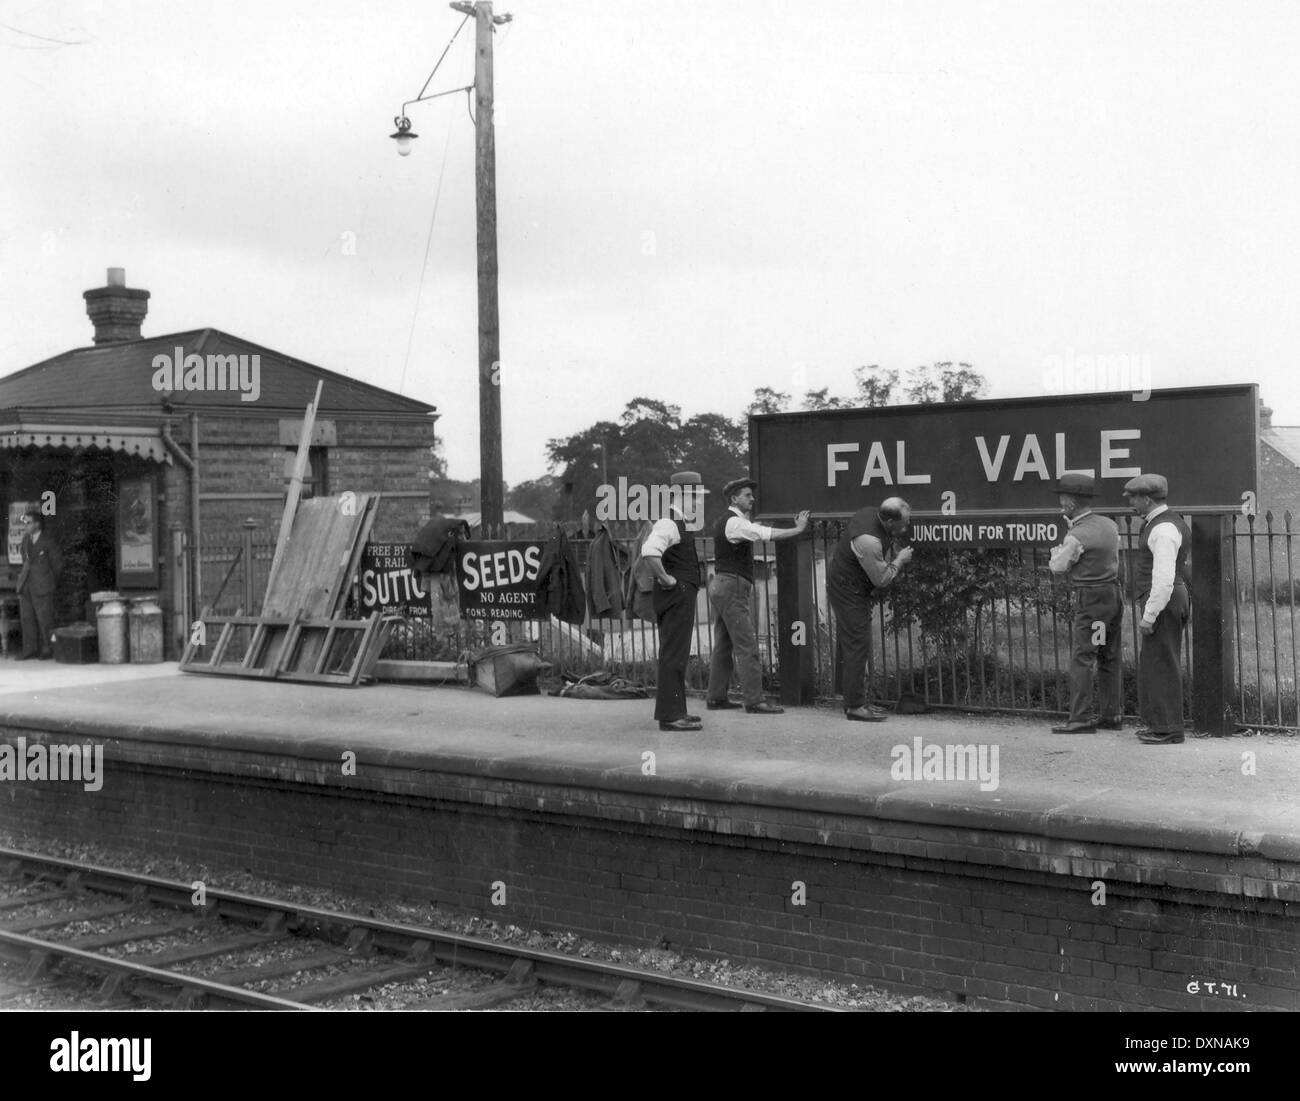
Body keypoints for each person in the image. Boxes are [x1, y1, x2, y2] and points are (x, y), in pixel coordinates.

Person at [706, 478, 810, 715]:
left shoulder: (728, 521)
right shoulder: (734, 522)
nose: (752, 499)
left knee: (723, 644)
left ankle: (716, 697)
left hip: (721, 584)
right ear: (734, 498)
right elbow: (764, 533)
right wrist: (798, 529)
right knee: (747, 645)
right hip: (732, 587)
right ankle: (754, 701)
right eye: (747, 496)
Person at [1047, 473, 1123, 733]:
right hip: (1112, 596)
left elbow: (1058, 567)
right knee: (1107, 654)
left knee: (1083, 656)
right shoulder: (1109, 525)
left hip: (1091, 599)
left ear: (1071, 502)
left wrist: (1056, 552)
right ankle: (1111, 714)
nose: (1060, 501)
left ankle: (1079, 717)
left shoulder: (1077, 536)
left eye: (1063, 497)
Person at [826, 497, 913, 721]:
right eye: (903, 523)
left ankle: (850, 698)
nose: (906, 527)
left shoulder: (869, 512)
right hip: (849, 591)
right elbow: (881, 579)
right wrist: (900, 560)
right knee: (857, 645)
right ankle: (855, 706)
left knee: (851, 643)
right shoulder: (869, 541)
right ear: (890, 521)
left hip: (845, 584)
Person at [1122, 473, 1190, 745]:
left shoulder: (1162, 529)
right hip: (1170, 597)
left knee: (1162, 663)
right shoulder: (1167, 522)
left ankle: (1169, 728)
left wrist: (1149, 616)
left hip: (1164, 599)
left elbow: (1162, 579)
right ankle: (1160, 725)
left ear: (1148, 499)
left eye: (1134, 498)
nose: (1131, 504)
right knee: (1157, 661)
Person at [641, 472, 708, 731]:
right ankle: (670, 716)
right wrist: (668, 579)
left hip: (681, 596)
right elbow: (649, 552)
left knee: (678, 654)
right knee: (672, 655)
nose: (697, 502)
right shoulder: (668, 523)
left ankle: (678, 710)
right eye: (694, 496)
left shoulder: (681, 523)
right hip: (676, 596)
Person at [16, 513, 61, 661]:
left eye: (28, 523)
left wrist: (49, 581)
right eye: (25, 523)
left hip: (43, 585)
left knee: (45, 619)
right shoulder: (25, 540)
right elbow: (24, 560)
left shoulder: (47, 541)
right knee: (27, 618)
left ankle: (47, 649)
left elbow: (57, 565)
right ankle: (29, 650)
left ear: (37, 524)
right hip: (26, 585)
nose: (26, 526)